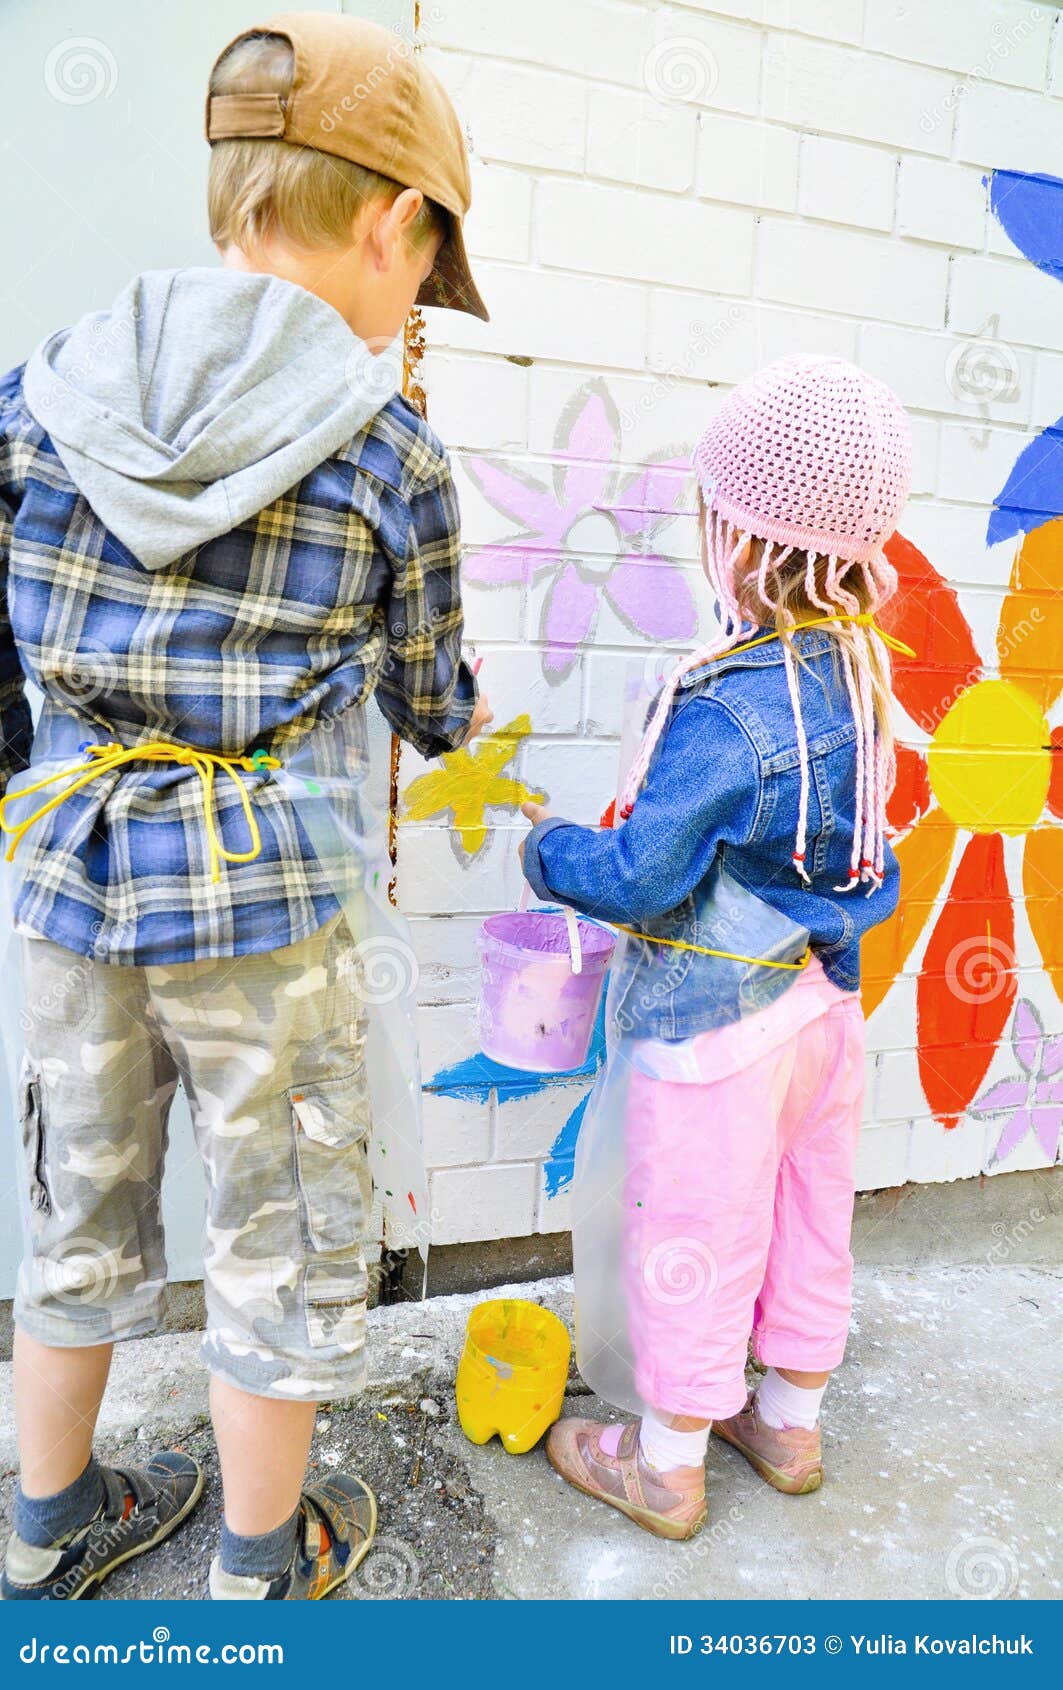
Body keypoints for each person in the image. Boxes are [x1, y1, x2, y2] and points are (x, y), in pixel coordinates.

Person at [0, 12, 489, 1600]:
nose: (414, 304)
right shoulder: (387, 451)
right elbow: (430, 697)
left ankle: (49, 1521)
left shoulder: (41, 395)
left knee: (79, 1206)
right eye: (427, 267)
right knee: (278, 1226)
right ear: (388, 222)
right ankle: (259, 1567)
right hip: (264, 906)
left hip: (71, 886)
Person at [521, 356, 911, 1541]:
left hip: (716, 1036)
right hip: (821, 1015)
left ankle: (667, 1460)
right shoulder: (862, 678)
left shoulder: (725, 706)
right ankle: (787, 1418)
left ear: (738, 540)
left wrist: (546, 854)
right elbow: (871, 865)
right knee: (807, 1210)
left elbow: (642, 877)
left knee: (695, 1228)